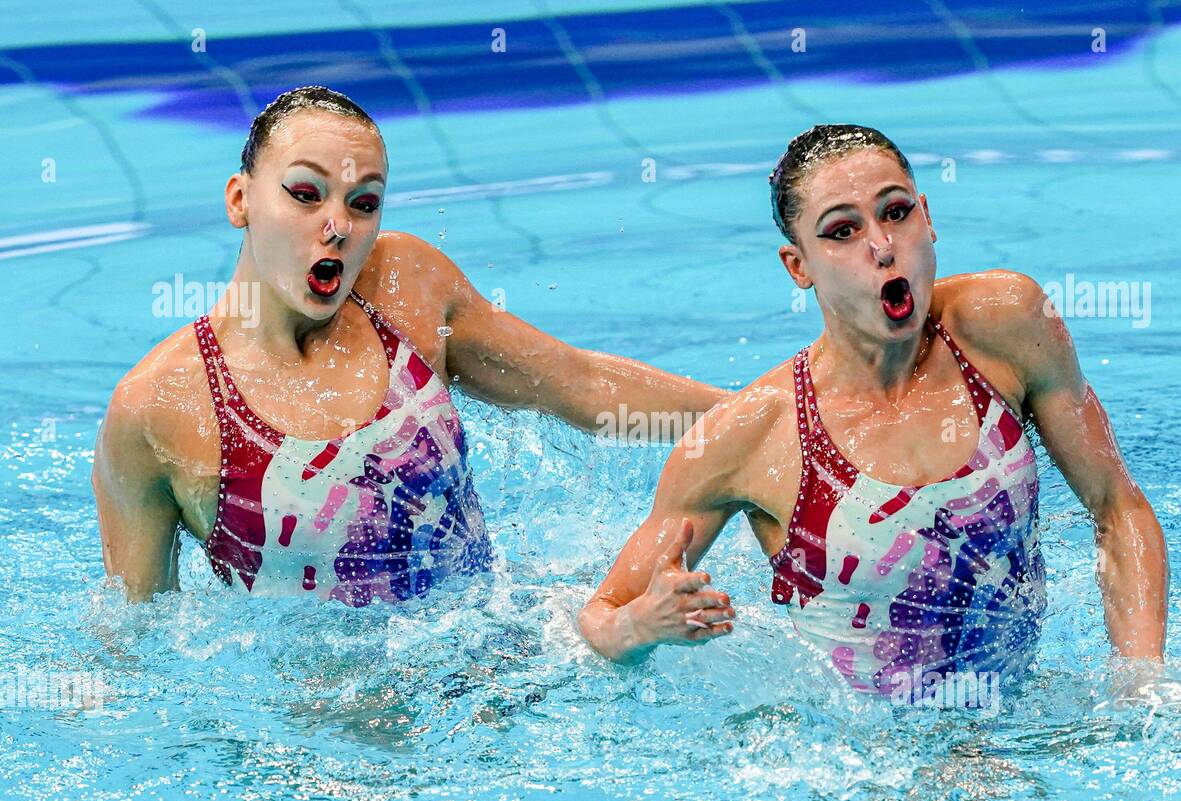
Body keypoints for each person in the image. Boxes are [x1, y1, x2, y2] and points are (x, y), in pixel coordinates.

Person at [578, 125, 1167, 698]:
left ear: (928, 216)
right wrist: (643, 625)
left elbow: (1118, 507)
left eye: (896, 212)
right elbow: (601, 615)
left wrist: (1142, 688)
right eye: (841, 231)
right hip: (865, 765)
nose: (883, 247)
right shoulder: (753, 435)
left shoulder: (1005, 328)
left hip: (1022, 712)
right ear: (798, 266)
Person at [92, 86, 724, 606]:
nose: (338, 227)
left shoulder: (404, 289)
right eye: (305, 195)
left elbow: (580, 385)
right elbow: (135, 642)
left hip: (503, 686)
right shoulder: (160, 406)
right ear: (240, 200)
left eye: (363, 203)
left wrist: (758, 418)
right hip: (322, 747)